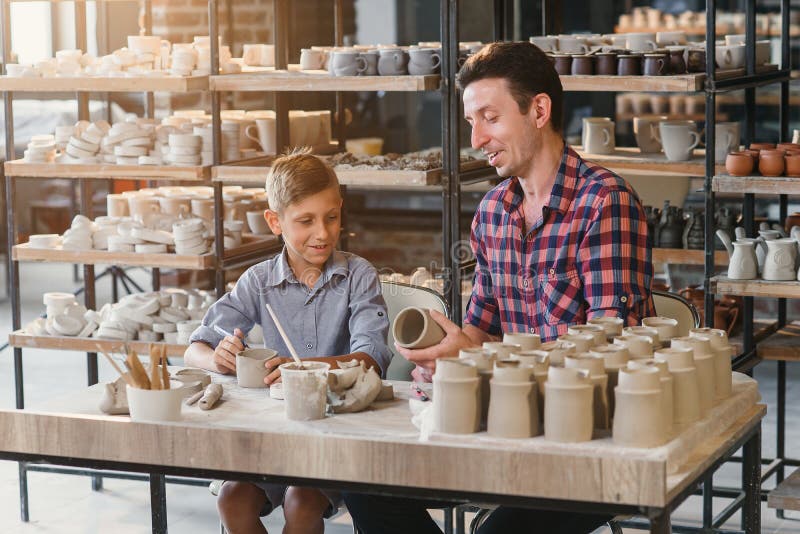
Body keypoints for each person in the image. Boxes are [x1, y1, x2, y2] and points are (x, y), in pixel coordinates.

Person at [343, 41, 654, 534]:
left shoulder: (604, 203)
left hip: (582, 439)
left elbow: (614, 355)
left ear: (539, 110)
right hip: (503, 426)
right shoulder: (493, 212)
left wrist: (486, 362)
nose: (477, 137)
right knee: (359, 477)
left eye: (489, 117)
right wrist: (452, 356)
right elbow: (481, 332)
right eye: (471, 122)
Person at [185, 150, 393, 534]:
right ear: (275, 222)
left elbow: (372, 357)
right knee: (231, 499)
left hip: (337, 433)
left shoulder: (358, 275)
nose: (323, 233)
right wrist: (218, 359)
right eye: (305, 221)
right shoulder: (258, 280)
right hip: (274, 436)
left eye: (331, 217)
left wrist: (305, 371)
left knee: (300, 501)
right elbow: (195, 346)